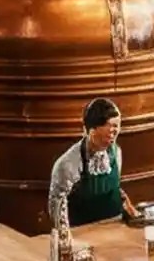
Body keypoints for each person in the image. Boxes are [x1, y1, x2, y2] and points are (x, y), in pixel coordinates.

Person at [48, 98, 138, 228]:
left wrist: (130, 209)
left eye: (117, 126)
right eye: (110, 128)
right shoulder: (67, 165)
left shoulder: (116, 152)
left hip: (116, 226)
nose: (114, 134)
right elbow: (57, 211)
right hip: (83, 232)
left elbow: (115, 189)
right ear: (90, 130)